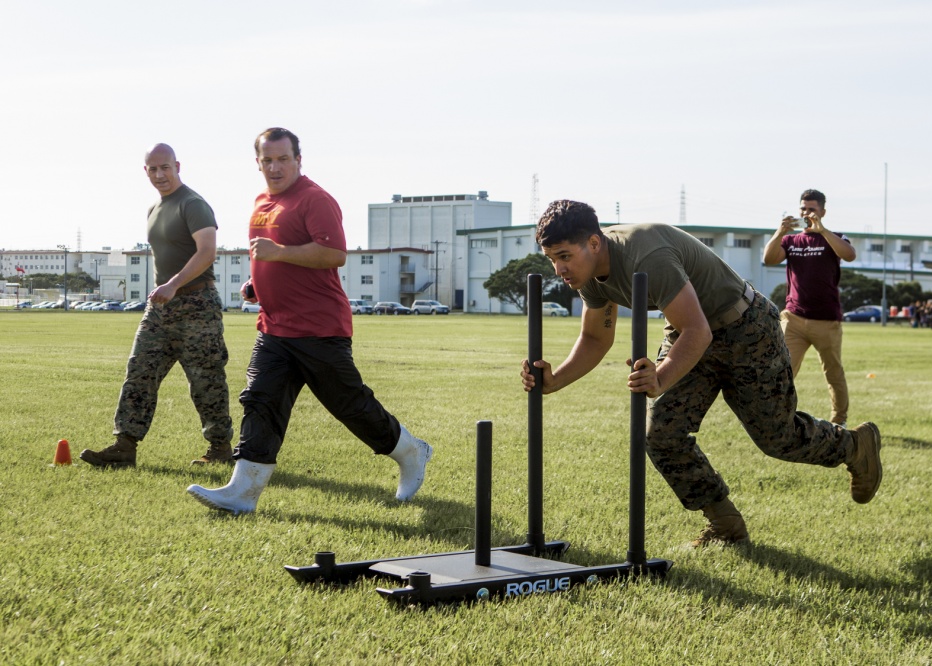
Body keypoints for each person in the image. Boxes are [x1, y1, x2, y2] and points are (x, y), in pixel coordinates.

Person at [520, 200, 882, 547]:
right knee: (661, 433)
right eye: (552, 259)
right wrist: (555, 380)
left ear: (594, 243)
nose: (559, 269)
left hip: (744, 327)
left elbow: (699, 331)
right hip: (689, 332)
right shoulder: (587, 275)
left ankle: (854, 445)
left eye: (564, 256)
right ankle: (726, 526)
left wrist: (660, 377)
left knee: (778, 437)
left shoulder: (646, 256)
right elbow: (596, 337)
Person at [187, 128, 432, 515]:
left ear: (299, 160)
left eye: (283, 159)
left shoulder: (315, 199)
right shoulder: (262, 202)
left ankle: (410, 451)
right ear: (257, 163)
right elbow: (269, 257)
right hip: (274, 328)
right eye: (268, 160)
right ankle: (242, 493)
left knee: (350, 406)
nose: (275, 167)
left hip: (319, 328)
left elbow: (334, 254)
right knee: (260, 401)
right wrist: (257, 284)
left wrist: (278, 253)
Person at [80, 144, 233, 469]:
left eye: (165, 167)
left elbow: (207, 251)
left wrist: (174, 284)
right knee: (140, 372)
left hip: (197, 304)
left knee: (206, 380)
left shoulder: (193, 204)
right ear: (145, 171)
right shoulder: (153, 208)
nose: (160, 174)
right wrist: (166, 289)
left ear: (177, 166)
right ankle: (124, 447)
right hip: (161, 308)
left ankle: (220, 448)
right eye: (153, 169)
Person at [763, 189, 856, 426]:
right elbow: (769, 259)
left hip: (826, 320)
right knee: (782, 370)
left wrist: (822, 230)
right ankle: (777, 417)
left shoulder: (834, 237)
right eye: (803, 209)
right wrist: (780, 232)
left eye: (812, 209)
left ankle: (839, 420)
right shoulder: (791, 241)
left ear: (823, 212)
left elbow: (849, 255)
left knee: (833, 373)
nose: (806, 213)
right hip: (794, 318)